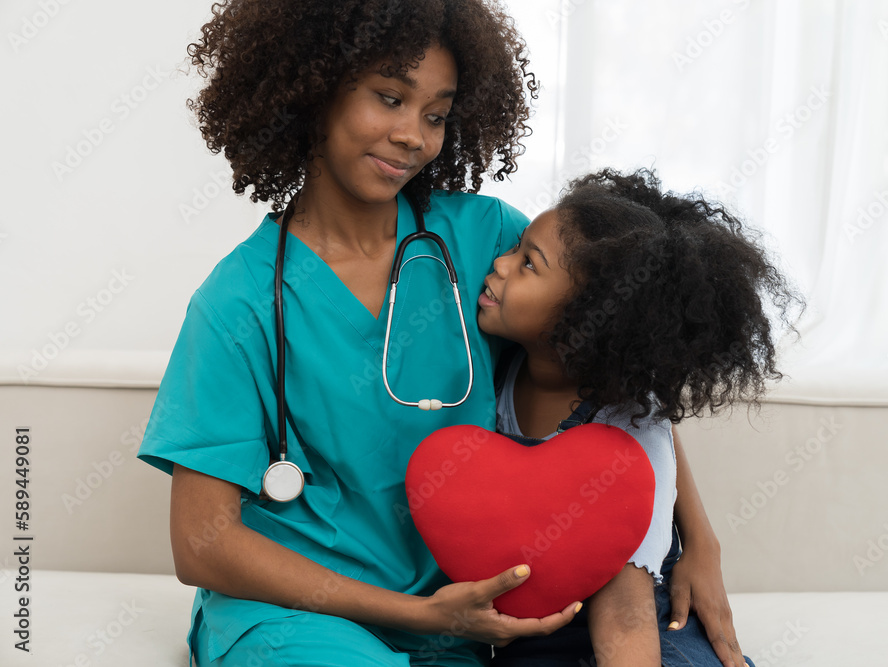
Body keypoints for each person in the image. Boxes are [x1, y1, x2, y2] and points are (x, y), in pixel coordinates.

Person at [137, 1, 762, 664]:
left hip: (454, 628)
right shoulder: (239, 303)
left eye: (436, 114)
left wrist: (699, 537)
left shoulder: (485, 240)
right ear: (312, 90)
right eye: (389, 98)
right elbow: (202, 541)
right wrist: (417, 612)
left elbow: (621, 360)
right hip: (296, 618)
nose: (413, 135)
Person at [477, 168, 802, 667]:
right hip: (542, 627)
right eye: (517, 248)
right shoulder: (493, 367)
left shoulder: (630, 435)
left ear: (584, 318)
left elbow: (626, 612)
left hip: (649, 621)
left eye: (527, 265)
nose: (498, 264)